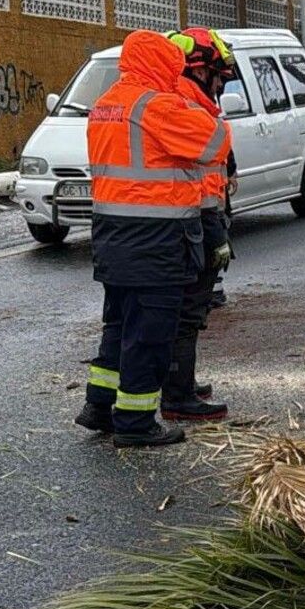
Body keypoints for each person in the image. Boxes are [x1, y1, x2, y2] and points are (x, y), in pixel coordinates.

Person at [76, 30, 228, 448]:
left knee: (118, 326)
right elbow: (217, 141)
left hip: (112, 235)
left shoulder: (105, 105)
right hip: (155, 239)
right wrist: (185, 98)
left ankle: (99, 406)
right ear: (161, 66)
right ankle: (136, 422)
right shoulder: (156, 105)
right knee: (149, 334)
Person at [160, 27, 235, 422]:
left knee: (189, 309)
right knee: (189, 311)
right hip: (194, 223)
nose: (221, 85)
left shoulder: (190, 103)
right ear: (200, 71)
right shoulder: (188, 108)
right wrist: (217, 231)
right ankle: (177, 397)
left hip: (189, 221)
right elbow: (203, 181)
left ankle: (181, 385)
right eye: (219, 77)